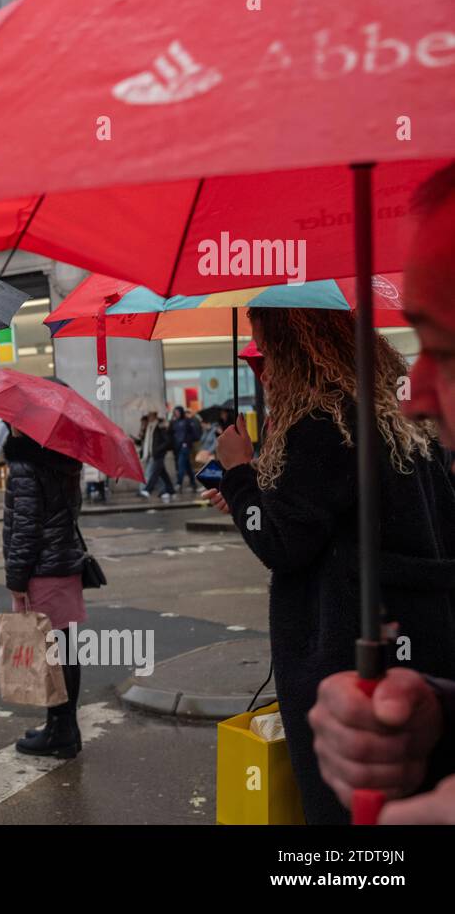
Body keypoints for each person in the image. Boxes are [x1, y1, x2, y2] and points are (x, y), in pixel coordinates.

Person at [203, 306, 455, 824]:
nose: (264, 368)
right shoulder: (398, 415)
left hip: (347, 644)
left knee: (349, 808)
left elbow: (281, 544)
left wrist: (238, 474)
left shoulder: (324, 420)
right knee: (413, 792)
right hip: (425, 636)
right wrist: (254, 495)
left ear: (298, 350)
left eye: (267, 352)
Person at [308, 161, 455, 823]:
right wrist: (441, 722)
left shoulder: (323, 422)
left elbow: (288, 540)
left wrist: (248, 477)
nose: (418, 398)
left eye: (448, 349)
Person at [2, 426, 88, 758]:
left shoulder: (26, 466)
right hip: (65, 568)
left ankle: (59, 732)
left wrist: (16, 578)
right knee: (65, 651)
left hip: (41, 571)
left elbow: (25, 527)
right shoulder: (66, 461)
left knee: (53, 654)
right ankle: (64, 727)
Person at [136, 411, 174, 500]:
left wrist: (159, 449)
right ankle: (169, 490)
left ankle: (147, 490)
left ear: (154, 416)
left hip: (159, 453)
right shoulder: (149, 427)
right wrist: (142, 430)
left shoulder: (160, 426)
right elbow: (144, 440)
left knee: (154, 473)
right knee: (162, 473)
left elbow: (167, 440)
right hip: (151, 453)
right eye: (148, 415)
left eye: (150, 415)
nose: (148, 417)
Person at [169, 406, 201, 492]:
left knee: (181, 465)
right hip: (177, 448)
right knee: (187, 466)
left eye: (177, 412)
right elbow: (171, 434)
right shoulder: (174, 422)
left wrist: (187, 442)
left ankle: (179, 483)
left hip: (185, 447)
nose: (176, 414)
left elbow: (194, 434)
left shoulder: (187, 421)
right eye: (175, 412)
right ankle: (193, 483)